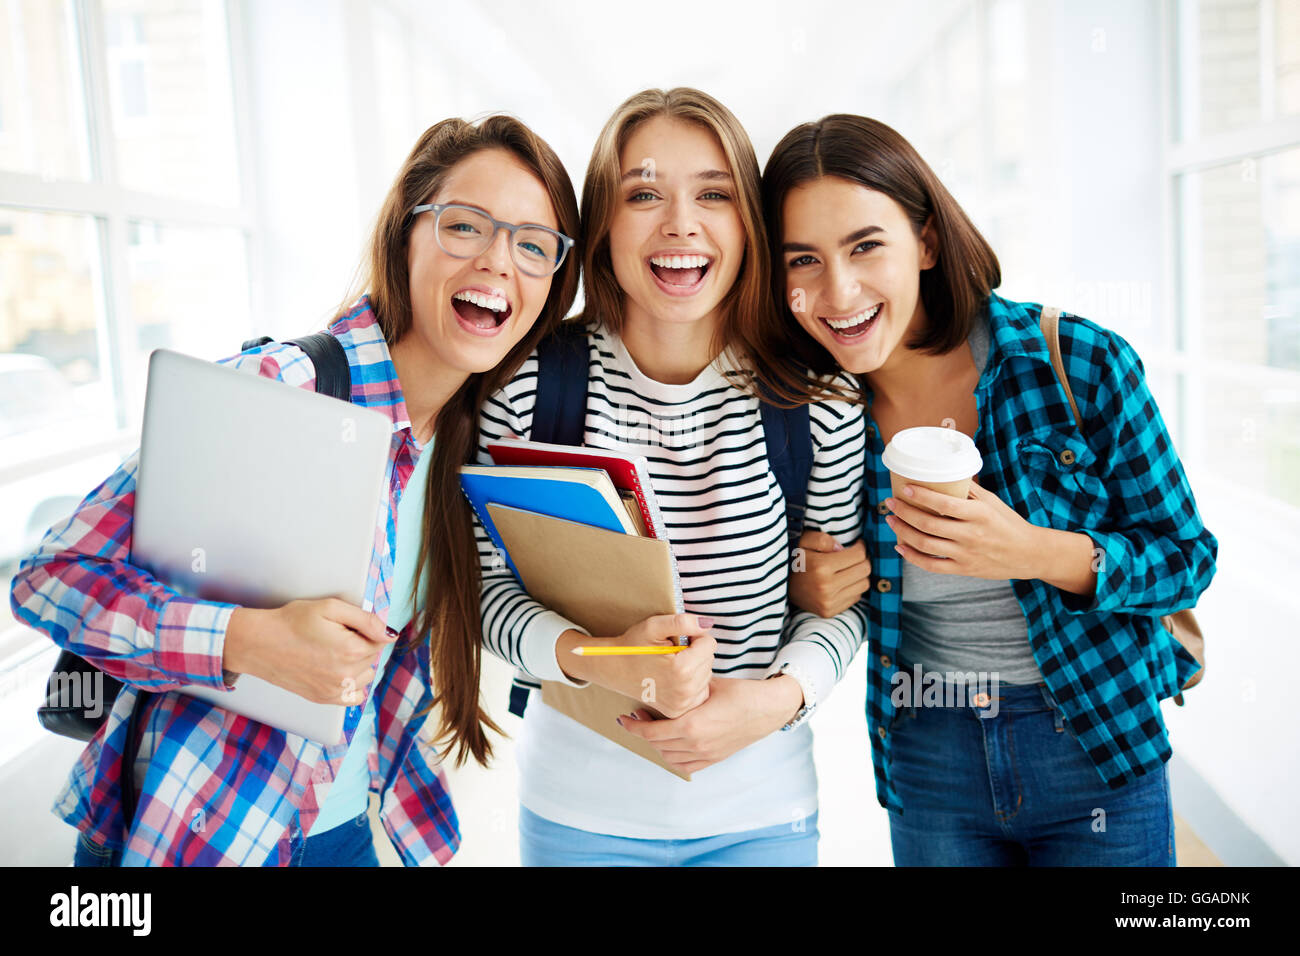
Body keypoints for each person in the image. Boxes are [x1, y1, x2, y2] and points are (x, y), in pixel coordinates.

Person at [9, 115, 580, 866]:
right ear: (404, 234)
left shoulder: (468, 449)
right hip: (198, 836)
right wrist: (246, 642)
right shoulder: (285, 387)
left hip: (345, 832)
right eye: (465, 225)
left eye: (533, 244)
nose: (499, 261)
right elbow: (52, 577)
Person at [762, 113, 1217, 866]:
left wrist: (1037, 551)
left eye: (865, 245)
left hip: (1095, 736)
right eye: (802, 259)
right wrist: (804, 585)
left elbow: (1186, 559)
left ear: (927, 242)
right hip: (928, 753)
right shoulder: (800, 412)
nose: (836, 290)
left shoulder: (1075, 359)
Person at [473, 88, 869, 867]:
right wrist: (600, 658)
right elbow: (491, 593)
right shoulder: (528, 385)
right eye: (644, 193)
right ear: (603, 225)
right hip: (577, 814)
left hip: (764, 812)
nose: (680, 223)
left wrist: (772, 700)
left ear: (747, 224)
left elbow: (844, 603)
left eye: (714, 195)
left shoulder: (817, 400)